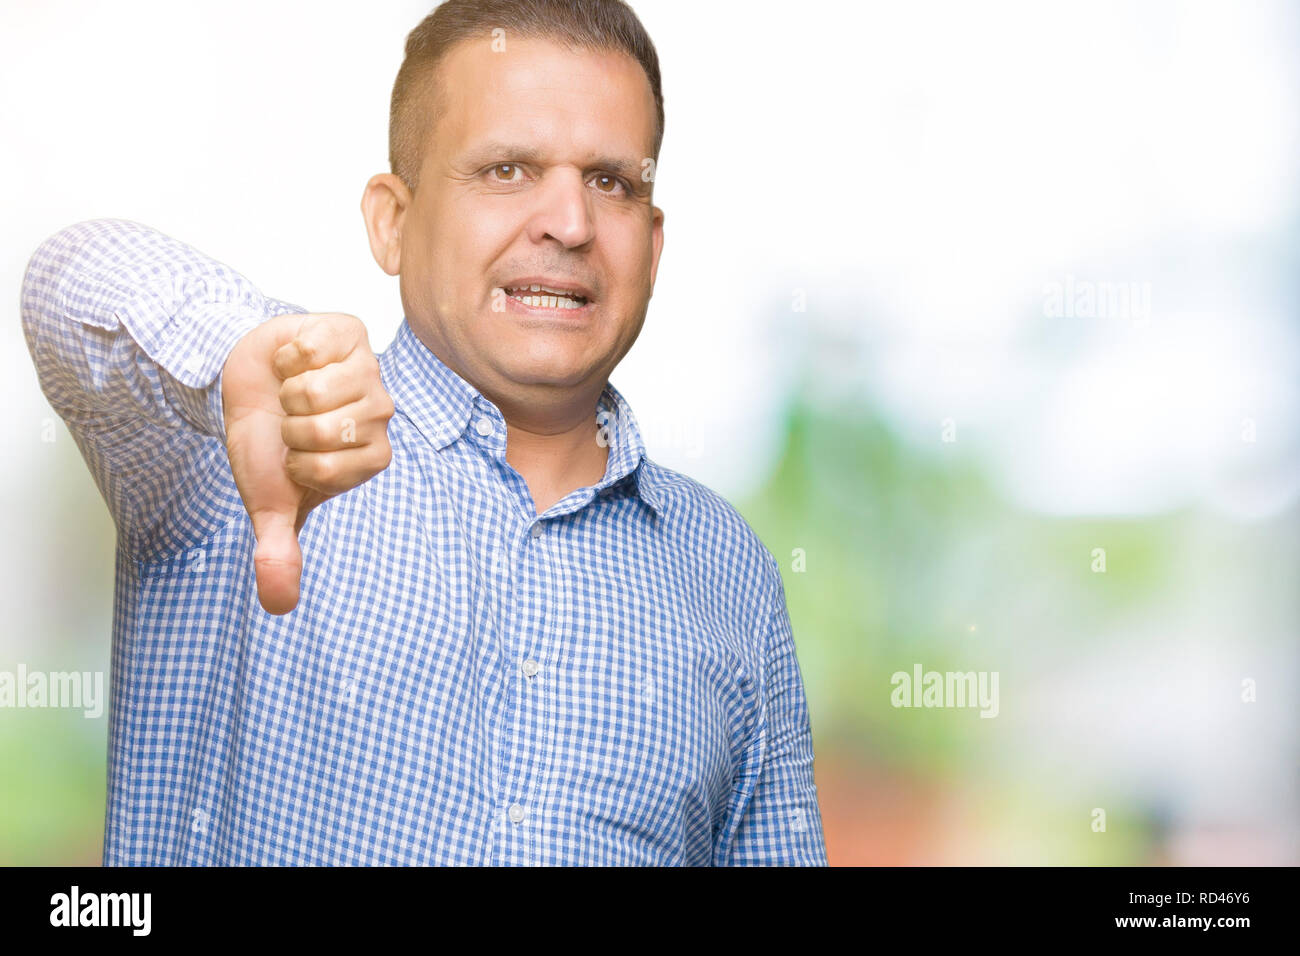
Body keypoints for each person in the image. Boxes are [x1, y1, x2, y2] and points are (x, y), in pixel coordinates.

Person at [20, 0, 828, 866]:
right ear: (392, 223)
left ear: (653, 247)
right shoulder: (253, 443)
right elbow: (65, 281)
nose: (571, 223)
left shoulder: (730, 570)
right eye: (508, 169)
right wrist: (232, 355)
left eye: (611, 182)